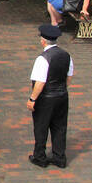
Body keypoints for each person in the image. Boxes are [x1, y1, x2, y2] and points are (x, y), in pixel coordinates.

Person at [27, 24, 73, 167]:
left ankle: (40, 157)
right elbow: (69, 77)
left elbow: (40, 83)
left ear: (43, 41)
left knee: (41, 126)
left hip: (46, 98)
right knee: (59, 126)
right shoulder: (66, 56)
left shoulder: (42, 59)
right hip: (62, 96)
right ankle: (59, 157)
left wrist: (32, 99)